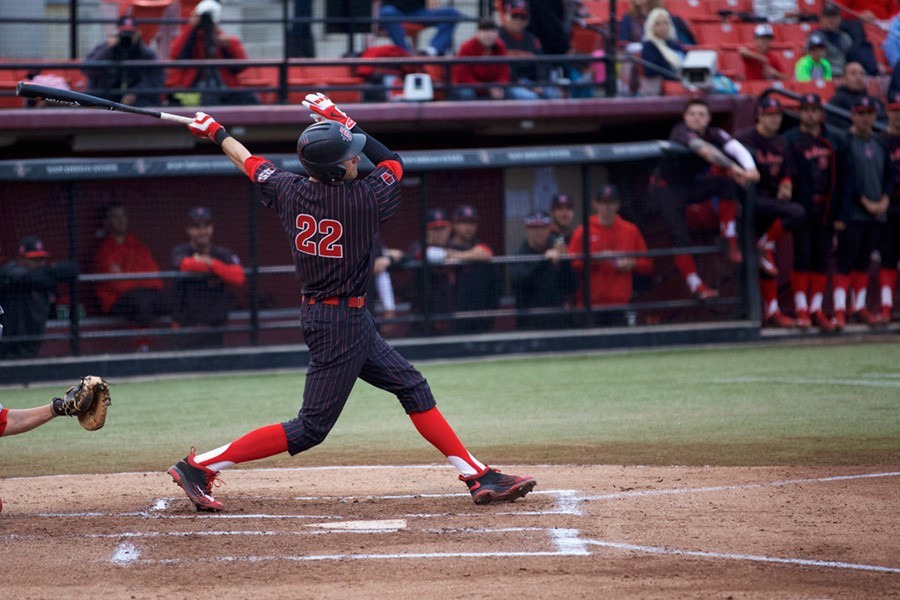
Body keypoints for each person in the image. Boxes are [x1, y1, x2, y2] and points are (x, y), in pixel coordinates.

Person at [166, 94, 536, 512]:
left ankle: (476, 474)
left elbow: (249, 163)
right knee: (310, 428)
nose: (357, 160)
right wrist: (344, 118)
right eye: (349, 157)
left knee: (412, 386)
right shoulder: (362, 200)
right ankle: (199, 466)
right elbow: (393, 162)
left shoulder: (288, 190)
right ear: (335, 171)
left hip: (340, 317)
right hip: (339, 322)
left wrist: (215, 132)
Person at [648, 98, 760, 300]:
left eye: (701, 114)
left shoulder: (715, 132)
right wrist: (735, 169)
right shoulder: (680, 131)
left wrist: (750, 167)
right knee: (680, 237)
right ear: (685, 117)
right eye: (692, 114)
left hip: (689, 186)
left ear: (708, 118)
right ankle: (696, 285)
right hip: (666, 189)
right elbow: (705, 151)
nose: (697, 118)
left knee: (724, 184)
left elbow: (735, 147)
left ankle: (730, 238)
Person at [735, 96, 807, 328]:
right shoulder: (745, 139)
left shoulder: (781, 142)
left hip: (770, 206)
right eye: (770, 115)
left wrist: (786, 185)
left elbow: (787, 172)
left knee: (795, 213)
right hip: (747, 204)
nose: (774, 119)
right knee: (750, 264)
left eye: (778, 115)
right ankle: (764, 248)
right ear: (760, 115)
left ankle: (771, 312)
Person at [783, 93, 846, 332]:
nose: (810, 114)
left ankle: (816, 307)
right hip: (801, 209)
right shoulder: (790, 139)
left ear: (821, 112)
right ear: (800, 112)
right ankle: (801, 309)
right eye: (806, 109)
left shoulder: (834, 139)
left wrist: (840, 212)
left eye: (814, 109)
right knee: (802, 256)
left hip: (827, 208)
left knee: (821, 258)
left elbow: (843, 177)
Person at [832, 95, 892, 328]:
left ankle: (858, 306)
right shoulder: (845, 143)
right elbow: (845, 180)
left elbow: (888, 177)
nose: (865, 118)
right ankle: (839, 309)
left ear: (874, 116)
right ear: (853, 116)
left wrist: (884, 199)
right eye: (860, 114)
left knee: (863, 261)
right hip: (853, 213)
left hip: (877, 212)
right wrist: (863, 200)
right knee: (845, 259)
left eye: (869, 114)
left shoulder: (879, 144)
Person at [567, 184, 653, 325]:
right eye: (603, 202)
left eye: (611, 202)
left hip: (619, 305)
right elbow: (571, 264)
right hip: (590, 307)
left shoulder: (630, 230)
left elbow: (647, 265)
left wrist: (631, 263)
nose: (607, 207)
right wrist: (595, 259)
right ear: (595, 204)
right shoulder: (582, 231)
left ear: (618, 205)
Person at [92, 203, 170, 348]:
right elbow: (116, 285)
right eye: (115, 217)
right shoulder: (104, 251)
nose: (120, 220)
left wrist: (135, 283)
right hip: (117, 301)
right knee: (141, 302)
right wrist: (139, 284)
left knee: (169, 299)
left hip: (145, 295)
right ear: (107, 222)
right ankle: (143, 347)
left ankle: (180, 345)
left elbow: (155, 277)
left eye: (123, 216)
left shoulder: (137, 245)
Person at [170, 207, 246, 348]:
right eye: (196, 226)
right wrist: (218, 268)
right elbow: (184, 264)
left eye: (206, 226)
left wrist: (211, 263)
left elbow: (239, 277)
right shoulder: (181, 250)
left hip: (214, 328)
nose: (202, 231)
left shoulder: (221, 253)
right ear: (188, 230)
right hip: (186, 327)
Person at [168, 0, 258, 106]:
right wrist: (191, 28)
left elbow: (242, 66)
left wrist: (228, 46)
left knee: (250, 99)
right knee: (208, 97)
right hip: (193, 88)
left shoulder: (226, 40)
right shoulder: (189, 38)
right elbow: (175, 55)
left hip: (225, 87)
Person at [0, 237, 77, 359]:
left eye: (41, 258)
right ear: (21, 258)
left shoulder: (45, 277)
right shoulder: (9, 272)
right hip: (8, 342)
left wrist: (49, 273)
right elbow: (26, 278)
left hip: (32, 340)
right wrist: (51, 272)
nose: (39, 263)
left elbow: (72, 269)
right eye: (34, 259)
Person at [510, 210, 576, 329]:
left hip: (558, 322)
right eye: (534, 228)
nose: (539, 232)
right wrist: (544, 261)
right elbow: (520, 283)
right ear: (526, 230)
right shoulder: (520, 255)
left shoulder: (557, 250)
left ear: (549, 229)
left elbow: (572, 286)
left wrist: (565, 261)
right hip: (530, 323)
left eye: (543, 228)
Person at [82, 15, 165, 107]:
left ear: (138, 34)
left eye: (131, 33)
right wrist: (108, 49)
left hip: (136, 100)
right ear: (117, 33)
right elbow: (87, 70)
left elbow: (156, 79)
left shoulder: (145, 52)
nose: (127, 37)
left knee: (146, 102)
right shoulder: (105, 48)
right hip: (107, 95)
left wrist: (135, 92)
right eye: (123, 33)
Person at [447, 204, 501, 332]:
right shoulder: (444, 248)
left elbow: (495, 289)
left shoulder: (481, 248)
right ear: (454, 225)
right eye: (464, 223)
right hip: (450, 319)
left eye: (472, 223)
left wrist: (460, 256)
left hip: (479, 319)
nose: (468, 227)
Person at [403, 207, 457, 333]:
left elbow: (484, 252)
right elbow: (419, 254)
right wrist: (447, 254)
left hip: (450, 316)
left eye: (442, 229)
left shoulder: (453, 246)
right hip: (423, 316)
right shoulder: (418, 246)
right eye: (434, 229)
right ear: (426, 231)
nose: (439, 233)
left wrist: (457, 255)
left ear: (449, 229)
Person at [451, 18, 533, 100]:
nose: (488, 35)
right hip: (471, 88)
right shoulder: (467, 47)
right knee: (466, 93)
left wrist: (498, 87)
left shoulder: (500, 46)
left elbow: (504, 73)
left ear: (497, 34)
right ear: (477, 33)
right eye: (484, 31)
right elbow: (463, 77)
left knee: (524, 96)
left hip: (495, 88)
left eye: (492, 31)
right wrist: (487, 88)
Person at [498, 0, 562, 100]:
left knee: (553, 94)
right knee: (530, 98)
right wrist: (522, 83)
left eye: (522, 17)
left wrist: (540, 83)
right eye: (514, 16)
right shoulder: (498, 38)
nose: (518, 21)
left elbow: (542, 64)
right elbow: (500, 70)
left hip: (533, 82)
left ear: (527, 20)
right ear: (505, 16)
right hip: (511, 85)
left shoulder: (531, 39)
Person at [878, 91, 900, 323]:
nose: (898, 115)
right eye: (894, 110)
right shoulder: (881, 140)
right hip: (889, 203)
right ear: (887, 112)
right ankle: (885, 307)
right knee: (888, 256)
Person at [378, 0, 463, 57]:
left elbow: (433, 5)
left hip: (419, 13)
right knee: (386, 12)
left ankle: (433, 51)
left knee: (452, 14)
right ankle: (405, 54)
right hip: (395, 13)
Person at [826, 61, 886, 125]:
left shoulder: (874, 100)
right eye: (853, 74)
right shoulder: (838, 100)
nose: (859, 77)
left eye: (862, 74)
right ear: (843, 78)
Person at [640, 7, 686, 83]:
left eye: (665, 23)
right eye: (658, 24)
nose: (662, 27)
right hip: (667, 87)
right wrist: (674, 75)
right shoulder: (649, 46)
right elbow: (650, 71)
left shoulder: (674, 44)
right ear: (651, 26)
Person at [814, 3, 856, 78]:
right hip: (827, 75)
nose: (831, 20)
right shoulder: (816, 38)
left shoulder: (845, 37)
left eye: (834, 17)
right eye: (828, 17)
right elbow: (815, 61)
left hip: (845, 76)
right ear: (822, 19)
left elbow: (852, 58)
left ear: (840, 19)